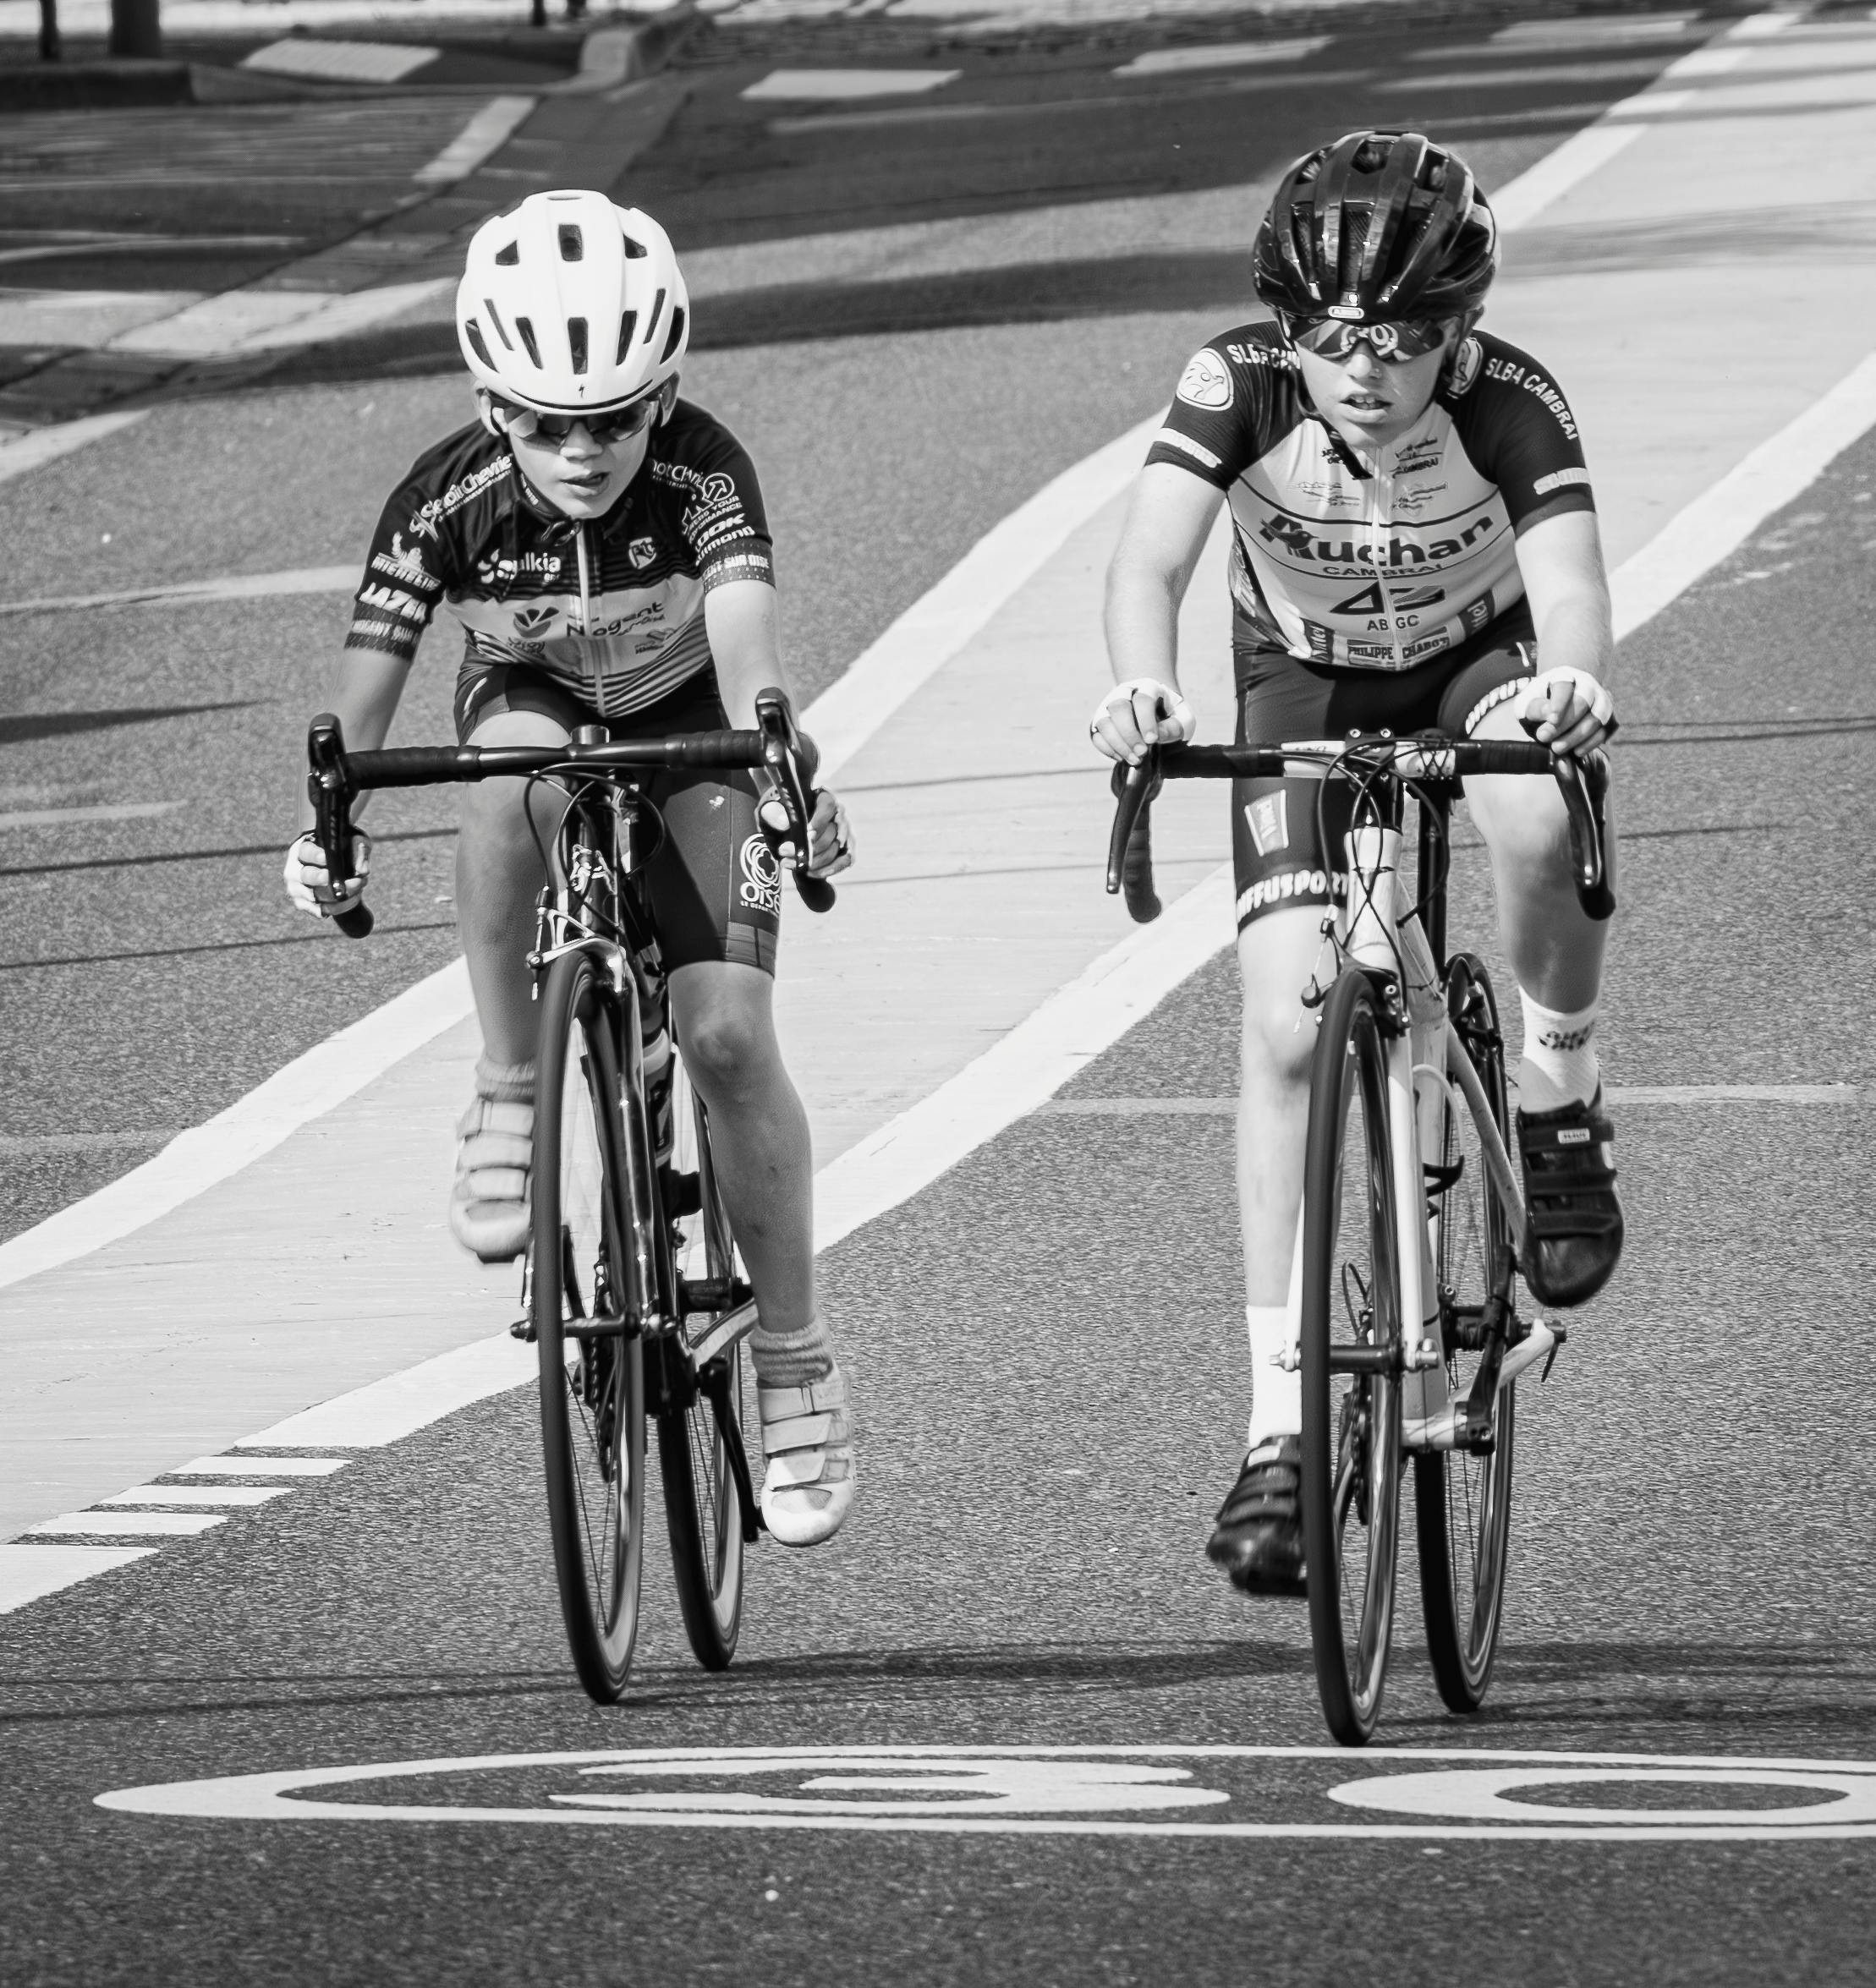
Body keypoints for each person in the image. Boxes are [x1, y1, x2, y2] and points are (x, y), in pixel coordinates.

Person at [1091, 131, 1623, 1596]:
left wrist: (1569, 687)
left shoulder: (1511, 401)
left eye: (1401, 338)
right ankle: (1276, 1426)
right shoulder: (1233, 384)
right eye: (1333, 339)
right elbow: (1147, 566)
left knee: (1532, 806)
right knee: (1282, 1025)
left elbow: (1569, 588)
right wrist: (1143, 692)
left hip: (1472, 664)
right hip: (1302, 684)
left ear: (1455, 332)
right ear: (1287, 326)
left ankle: (1556, 1089)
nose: (1366, 368)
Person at [284, 191, 854, 1547]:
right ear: (493, 407)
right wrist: (330, 819)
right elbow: (363, 696)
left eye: (614, 417)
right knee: (506, 773)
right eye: (542, 422)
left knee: (722, 1039)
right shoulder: (447, 497)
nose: (582, 450)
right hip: (535, 704)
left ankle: (795, 1365)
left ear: (665, 394)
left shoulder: (705, 469)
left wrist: (785, 771)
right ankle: (509, 1085)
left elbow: (749, 645)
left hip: (688, 729)